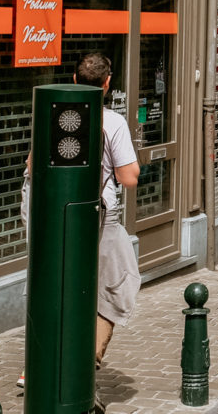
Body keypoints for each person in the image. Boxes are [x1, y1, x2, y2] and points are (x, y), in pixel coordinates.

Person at [78, 53, 141, 368]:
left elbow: (32, 166)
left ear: (76, 81)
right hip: (102, 217)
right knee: (118, 286)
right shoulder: (113, 122)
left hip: (63, 216)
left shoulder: (56, 114)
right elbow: (129, 178)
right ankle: (86, 361)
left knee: (68, 286)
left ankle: (36, 363)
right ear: (107, 84)